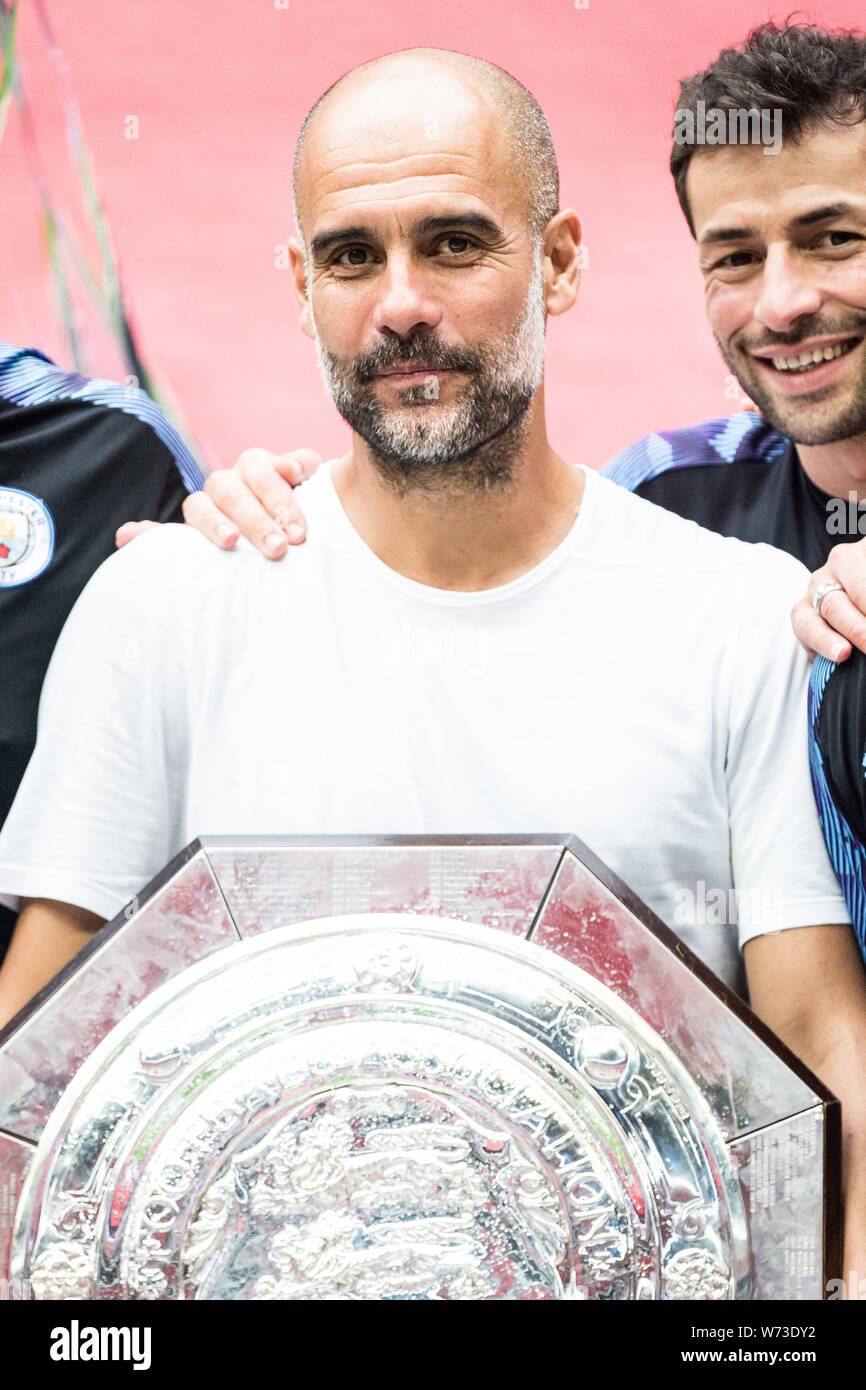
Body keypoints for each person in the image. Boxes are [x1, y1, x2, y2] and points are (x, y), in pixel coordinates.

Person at [0, 47, 862, 1280]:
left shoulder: (737, 613)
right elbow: (34, 1078)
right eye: (352, 256)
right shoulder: (160, 607)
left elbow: (818, 1045)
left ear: (558, 262)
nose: (401, 302)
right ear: (301, 288)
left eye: (455, 244)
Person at [211, 23, 866, 945]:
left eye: (834, 238)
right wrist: (256, 521)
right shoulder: (672, 494)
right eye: (735, 257)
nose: (782, 303)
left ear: (556, 263)